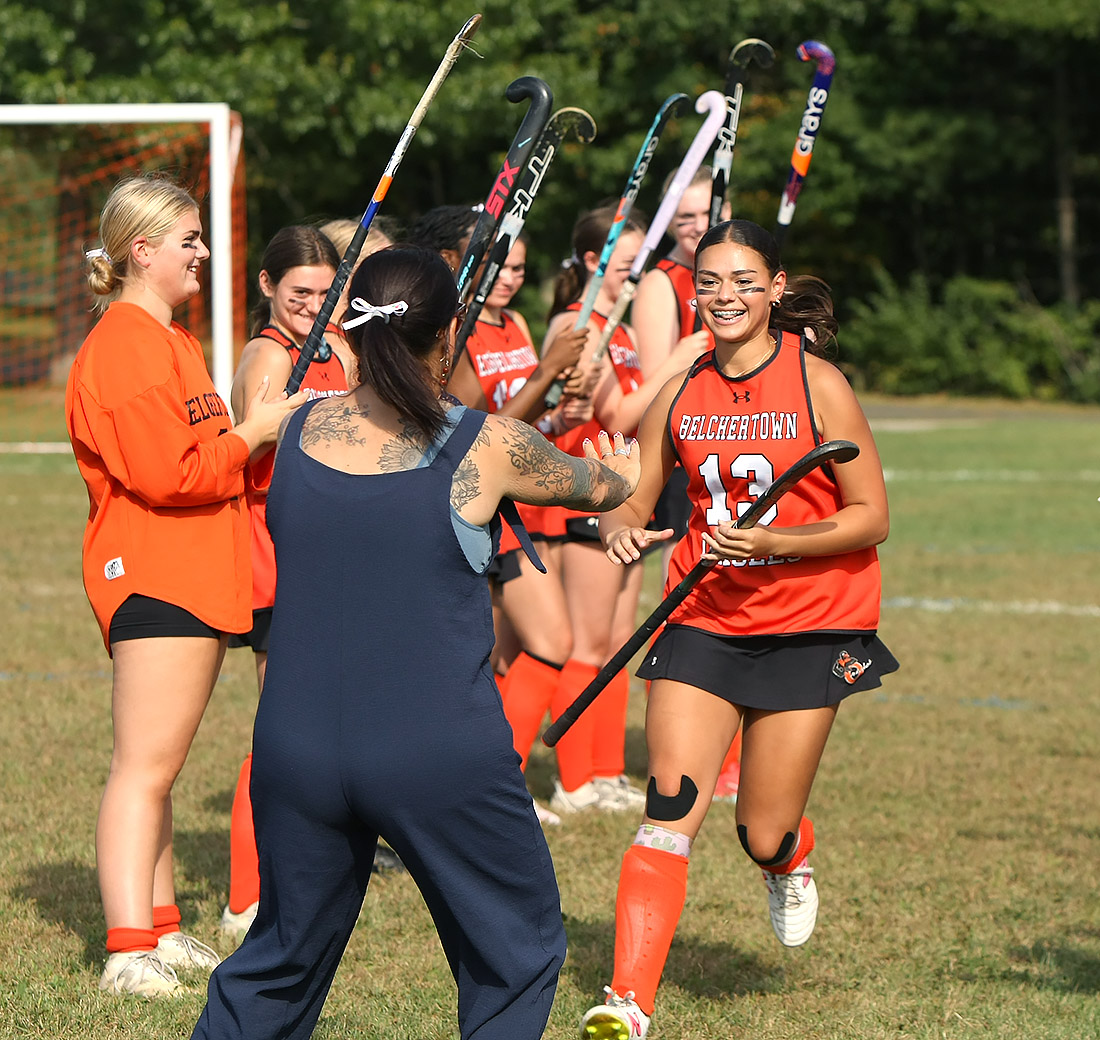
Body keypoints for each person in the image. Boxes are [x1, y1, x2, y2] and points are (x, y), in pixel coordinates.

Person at [191, 245, 640, 1040]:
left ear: (349, 337)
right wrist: (624, 473)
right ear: (447, 338)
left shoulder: (292, 431)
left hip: (295, 747)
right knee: (517, 948)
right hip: (434, 747)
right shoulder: (486, 443)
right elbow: (598, 486)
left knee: (281, 958)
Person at [579, 219, 896, 1040]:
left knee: (759, 829)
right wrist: (620, 522)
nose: (725, 297)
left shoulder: (817, 382)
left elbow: (872, 517)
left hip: (811, 624)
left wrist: (776, 541)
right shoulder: (683, 389)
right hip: (703, 618)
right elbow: (640, 496)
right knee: (668, 805)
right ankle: (627, 1003)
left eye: (744, 282)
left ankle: (787, 855)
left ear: (777, 288)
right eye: (711, 282)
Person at [65, 175, 305, 998]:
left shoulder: (171, 338)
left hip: (197, 574)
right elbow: (171, 474)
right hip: (157, 572)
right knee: (142, 768)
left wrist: (256, 436)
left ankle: (160, 928)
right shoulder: (127, 342)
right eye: (189, 240)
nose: (203, 252)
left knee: (161, 767)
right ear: (143, 250)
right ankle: (127, 948)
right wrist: (255, 432)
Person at [521, 205, 708, 817]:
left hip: (620, 494)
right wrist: (678, 362)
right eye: (624, 263)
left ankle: (602, 771)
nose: (634, 274)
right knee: (584, 643)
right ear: (592, 261)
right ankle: (573, 781)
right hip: (581, 498)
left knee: (617, 643)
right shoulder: (578, 325)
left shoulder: (619, 331)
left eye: (637, 263)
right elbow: (621, 417)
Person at [222, 225, 348, 940]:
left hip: (332, 556)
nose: (314, 304)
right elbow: (260, 442)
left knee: (320, 725)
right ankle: (247, 896)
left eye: (328, 292)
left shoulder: (333, 346)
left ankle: (303, 872)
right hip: (281, 560)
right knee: (282, 731)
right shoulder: (269, 356)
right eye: (300, 291)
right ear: (268, 287)